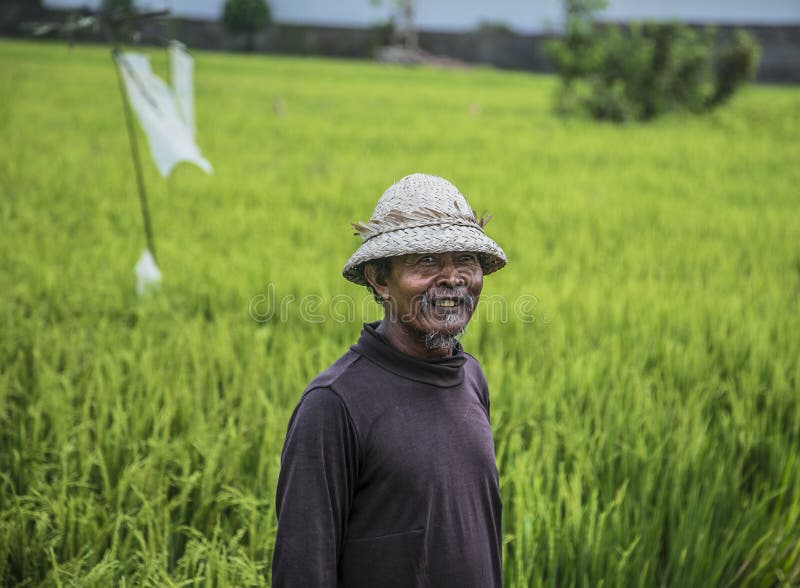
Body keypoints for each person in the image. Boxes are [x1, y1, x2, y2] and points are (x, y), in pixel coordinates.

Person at [272, 173, 507, 587]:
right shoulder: (335, 404)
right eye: (427, 261)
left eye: (465, 260)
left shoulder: (471, 377)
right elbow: (303, 571)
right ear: (381, 280)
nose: (452, 278)